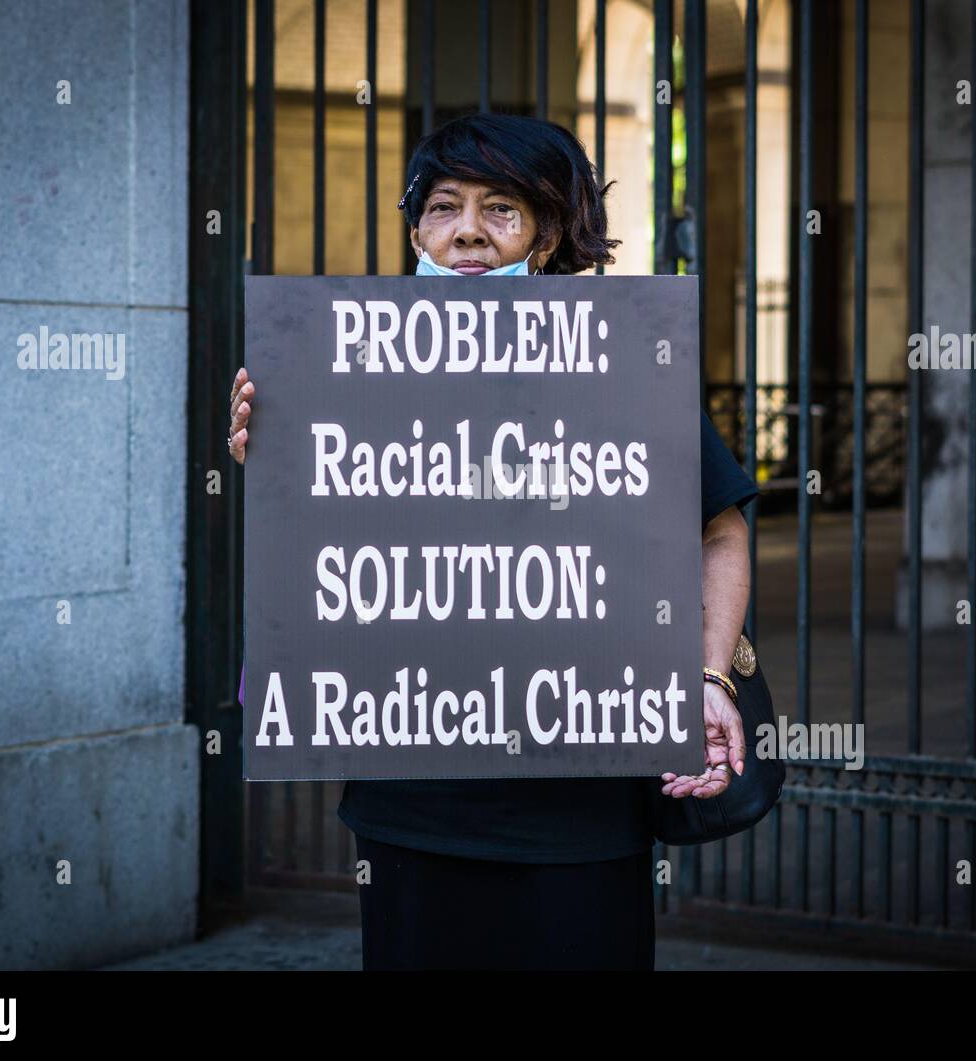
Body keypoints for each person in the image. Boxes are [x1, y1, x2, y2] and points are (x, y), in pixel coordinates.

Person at [228, 113, 758, 970]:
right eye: (443, 205)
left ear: (547, 237)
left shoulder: (621, 363)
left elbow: (719, 528)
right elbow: (329, 555)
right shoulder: (338, 367)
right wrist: (277, 458)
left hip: (582, 804)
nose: (468, 229)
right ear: (415, 230)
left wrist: (705, 673)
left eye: (501, 208)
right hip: (412, 804)